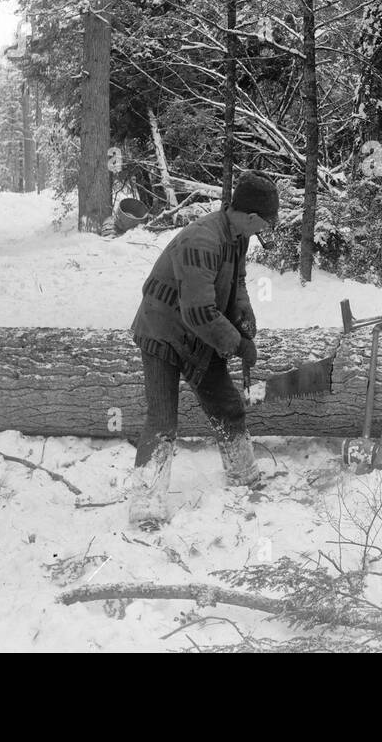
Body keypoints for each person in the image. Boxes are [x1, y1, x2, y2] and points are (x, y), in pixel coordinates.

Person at [126, 172, 279, 528]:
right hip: (162, 331)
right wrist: (238, 344)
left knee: (226, 403)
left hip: (198, 334)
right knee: (163, 420)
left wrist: (243, 313)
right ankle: (146, 503)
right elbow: (199, 312)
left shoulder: (237, 237)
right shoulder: (202, 239)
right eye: (265, 224)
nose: (264, 231)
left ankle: (243, 474)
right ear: (252, 216)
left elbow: (237, 281)